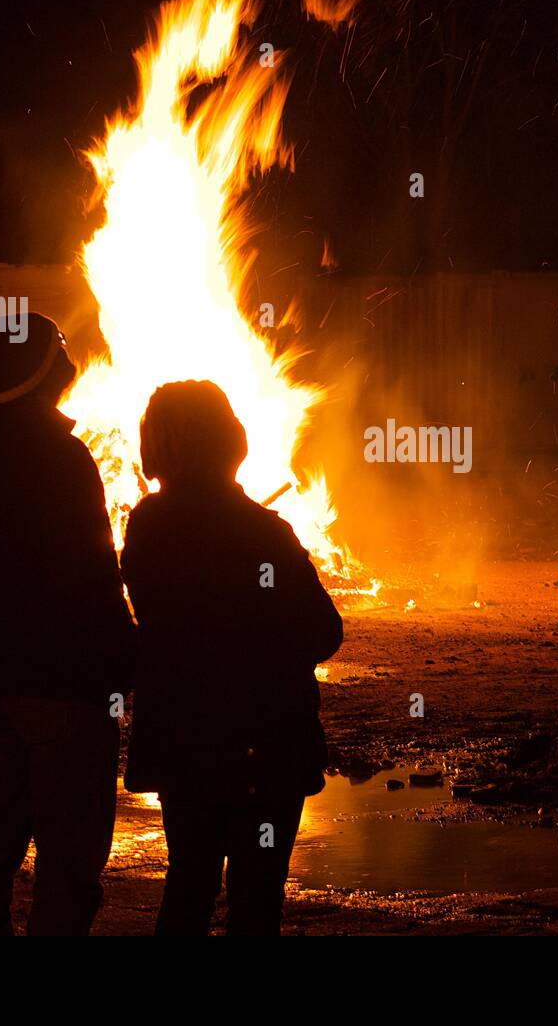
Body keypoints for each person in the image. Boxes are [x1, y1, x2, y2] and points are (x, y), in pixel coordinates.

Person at [0, 313, 134, 936]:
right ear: (43, 368)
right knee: (68, 861)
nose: (71, 358)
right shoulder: (61, 456)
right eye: (61, 349)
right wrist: (128, 661)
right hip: (63, 690)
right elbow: (92, 574)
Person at [121, 380, 342, 936]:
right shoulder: (265, 533)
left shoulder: (146, 527)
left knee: (189, 881)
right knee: (258, 893)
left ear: (153, 450)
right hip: (265, 747)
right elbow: (324, 631)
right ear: (234, 442)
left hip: (185, 744)